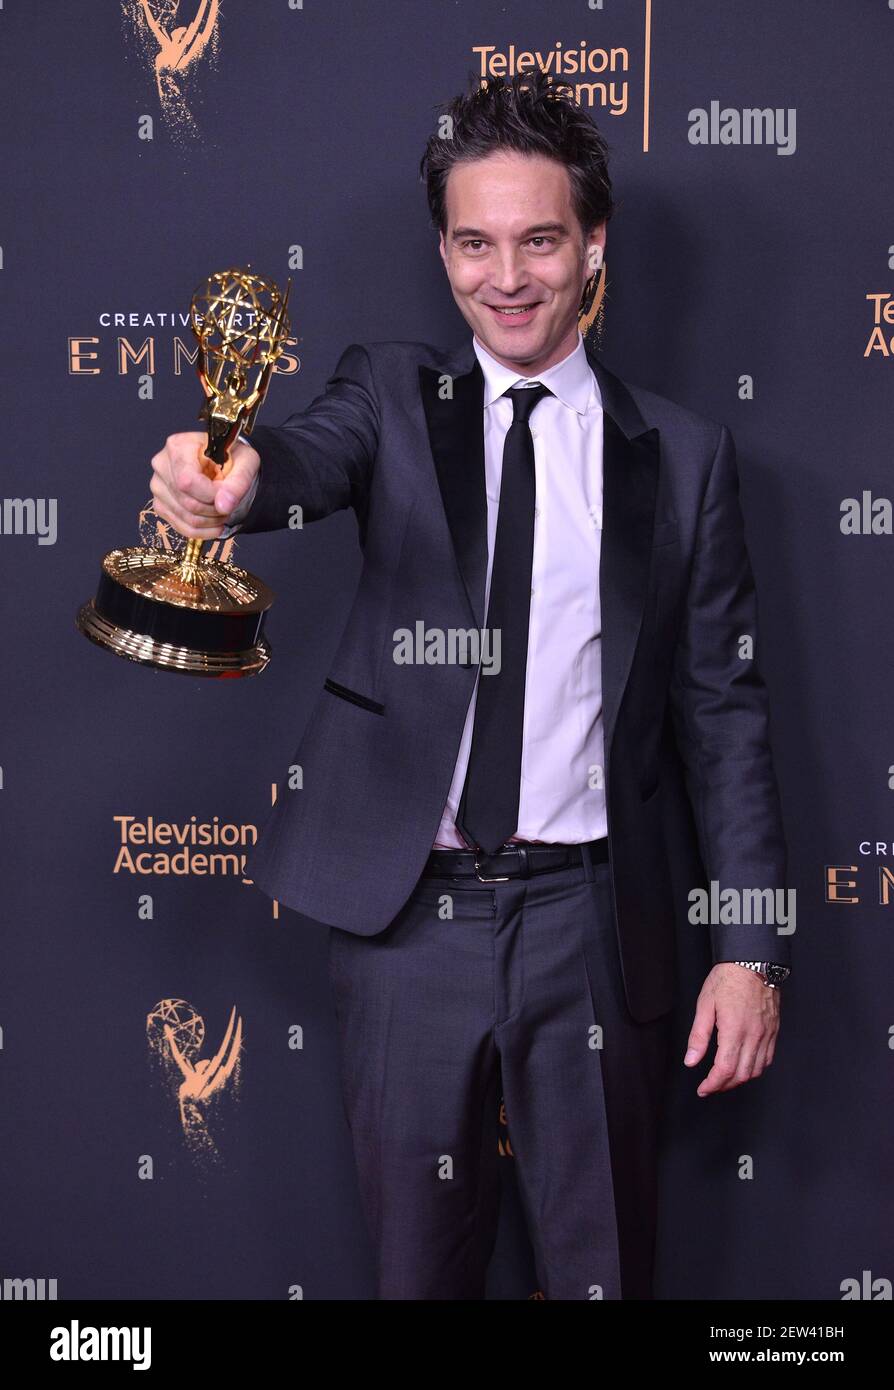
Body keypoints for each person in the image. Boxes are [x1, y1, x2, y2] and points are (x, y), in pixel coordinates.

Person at [149, 71, 792, 1300]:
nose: (507, 278)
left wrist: (752, 949)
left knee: (606, 1272)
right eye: (474, 243)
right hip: (410, 925)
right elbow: (301, 459)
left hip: (594, 925)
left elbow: (724, 714)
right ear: (443, 250)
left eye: (540, 240)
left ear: (594, 245)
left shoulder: (686, 457)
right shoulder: (392, 396)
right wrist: (232, 477)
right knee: (417, 1277)